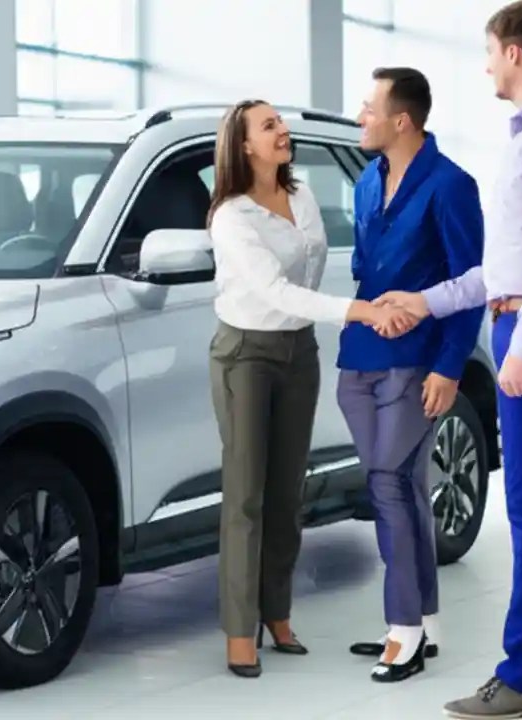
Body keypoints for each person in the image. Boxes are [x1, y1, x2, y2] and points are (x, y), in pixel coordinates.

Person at [374, 2, 522, 716]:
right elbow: (498, 270)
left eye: (490, 52)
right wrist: (426, 299)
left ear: (515, 53)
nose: (486, 65)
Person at [205, 99, 415, 679]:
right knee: (246, 494)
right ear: (244, 144)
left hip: (299, 352)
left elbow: (312, 266)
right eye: (269, 126)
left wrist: (332, 313)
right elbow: (274, 290)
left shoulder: (298, 196)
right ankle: (239, 630)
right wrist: (358, 312)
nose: (282, 131)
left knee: (286, 490)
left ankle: (277, 612)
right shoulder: (231, 215)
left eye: (280, 122)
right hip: (246, 353)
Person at [339, 67, 484, 684]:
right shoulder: (367, 182)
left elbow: (472, 283)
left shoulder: (452, 185)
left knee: (388, 483)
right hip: (359, 359)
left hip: (416, 361)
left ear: (402, 119)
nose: (360, 117)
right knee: (402, 486)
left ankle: (403, 632)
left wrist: (449, 367)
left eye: (369, 108)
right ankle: (421, 619)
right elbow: (362, 264)